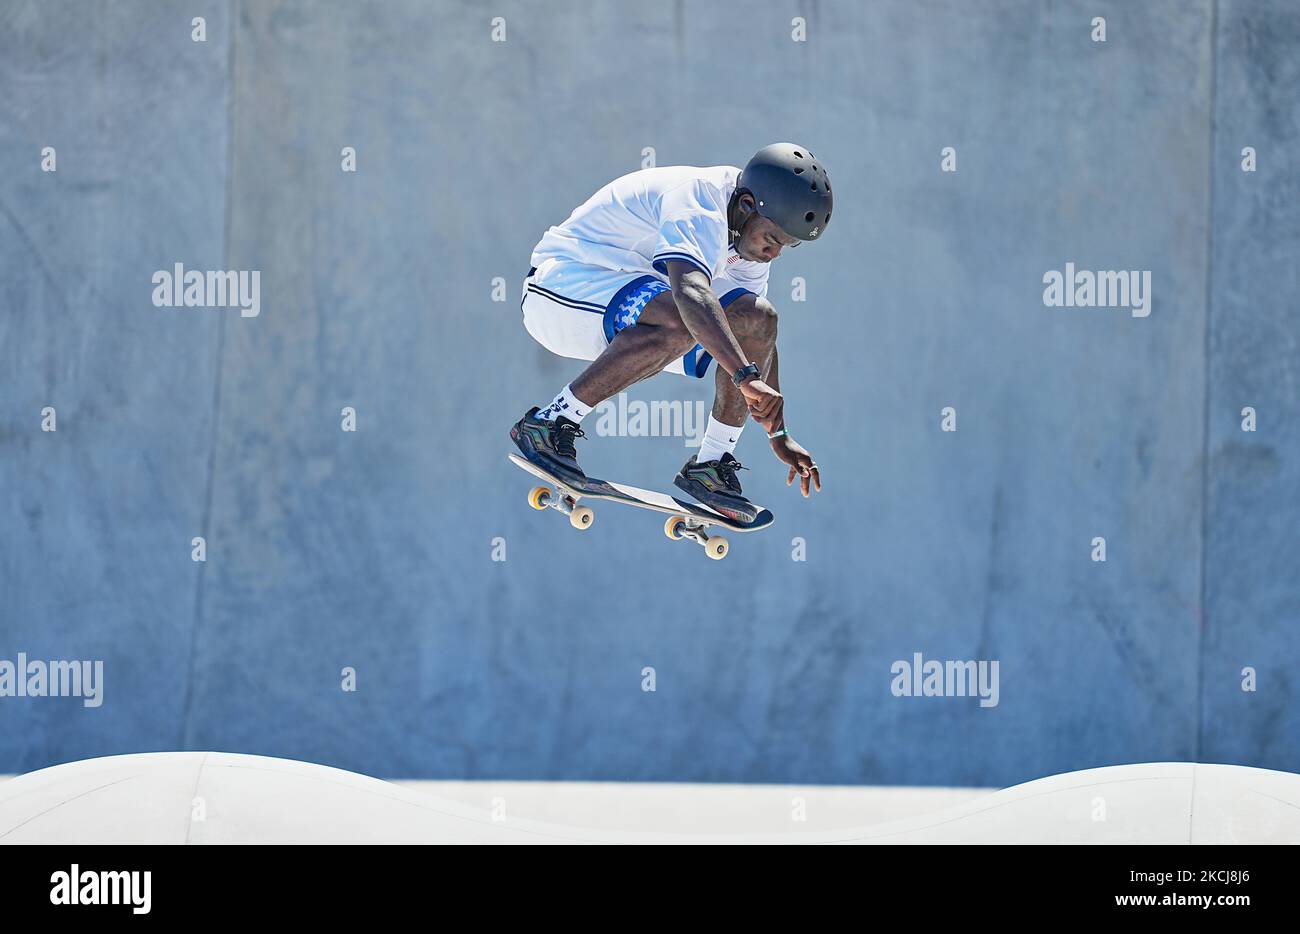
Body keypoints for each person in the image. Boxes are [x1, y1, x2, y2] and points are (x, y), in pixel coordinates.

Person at [511, 143, 828, 522]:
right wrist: (745, 377)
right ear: (746, 206)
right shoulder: (698, 198)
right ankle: (548, 422)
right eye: (772, 240)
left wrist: (778, 432)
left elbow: (756, 340)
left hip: (630, 300)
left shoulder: (748, 239)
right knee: (683, 316)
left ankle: (711, 463)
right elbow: (691, 293)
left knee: (757, 317)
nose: (773, 254)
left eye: (786, 247)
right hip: (561, 287)